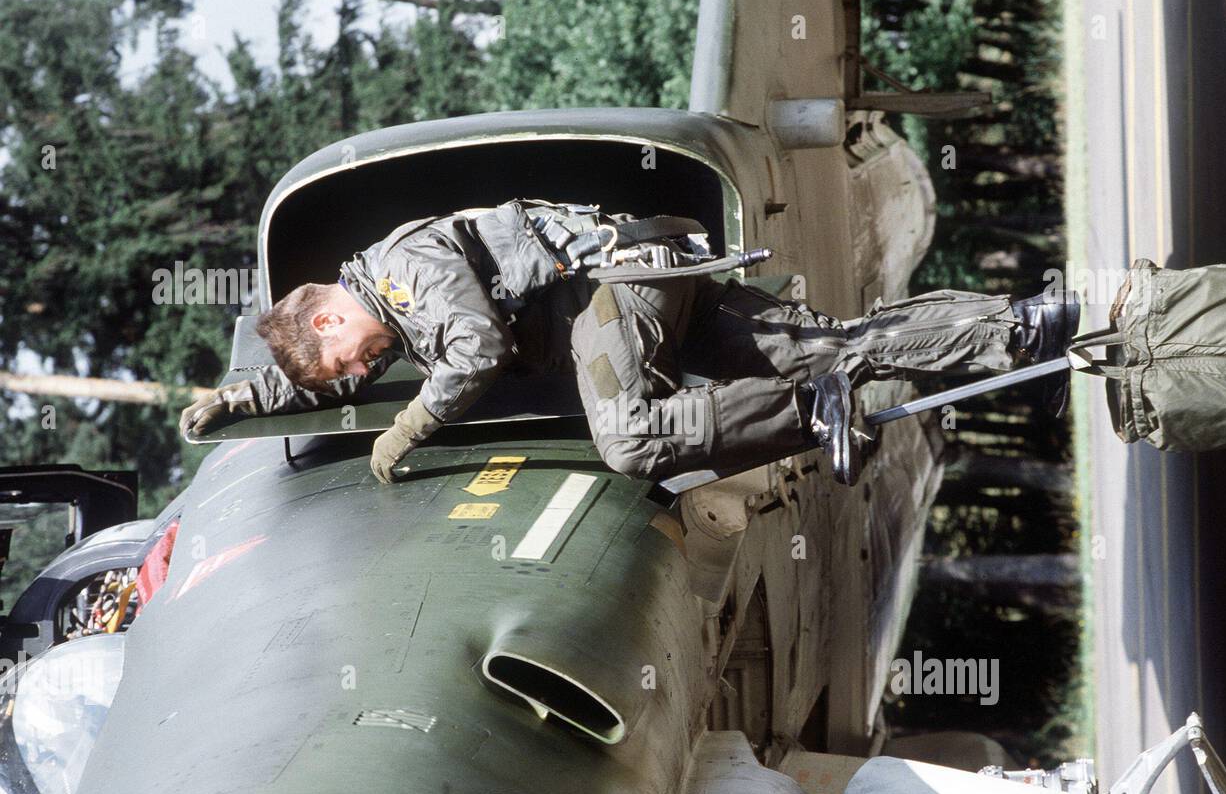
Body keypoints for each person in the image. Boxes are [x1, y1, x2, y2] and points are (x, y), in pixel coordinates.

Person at [180, 200, 1078, 487]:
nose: (368, 373)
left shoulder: (405, 269)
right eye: (358, 379)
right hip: (647, 276)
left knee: (629, 437)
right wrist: (243, 399)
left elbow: (476, 347)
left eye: (353, 361)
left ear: (330, 316)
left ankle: (815, 409)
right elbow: (326, 382)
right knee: (832, 343)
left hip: (618, 289)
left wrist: (409, 427)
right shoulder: (377, 305)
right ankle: (1027, 328)